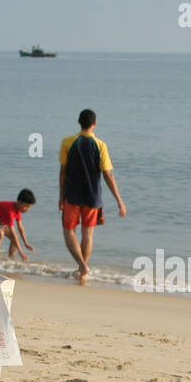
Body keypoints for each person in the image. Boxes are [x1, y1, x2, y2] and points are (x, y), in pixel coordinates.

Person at [58, 109, 127, 281]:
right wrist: (119, 201)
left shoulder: (67, 142)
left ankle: (82, 266)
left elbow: (63, 173)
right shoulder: (101, 145)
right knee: (87, 234)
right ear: (94, 124)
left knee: (68, 233)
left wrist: (60, 197)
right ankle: (83, 268)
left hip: (71, 195)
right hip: (93, 196)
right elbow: (108, 174)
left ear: (78, 122)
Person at [0, 190, 35, 261]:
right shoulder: (10, 211)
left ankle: (11, 259)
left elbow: (20, 228)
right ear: (19, 202)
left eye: (29, 207)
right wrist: (21, 252)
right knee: (0, 233)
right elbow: (13, 232)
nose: (27, 209)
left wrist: (26, 244)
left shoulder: (18, 210)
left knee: (16, 238)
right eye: (26, 206)